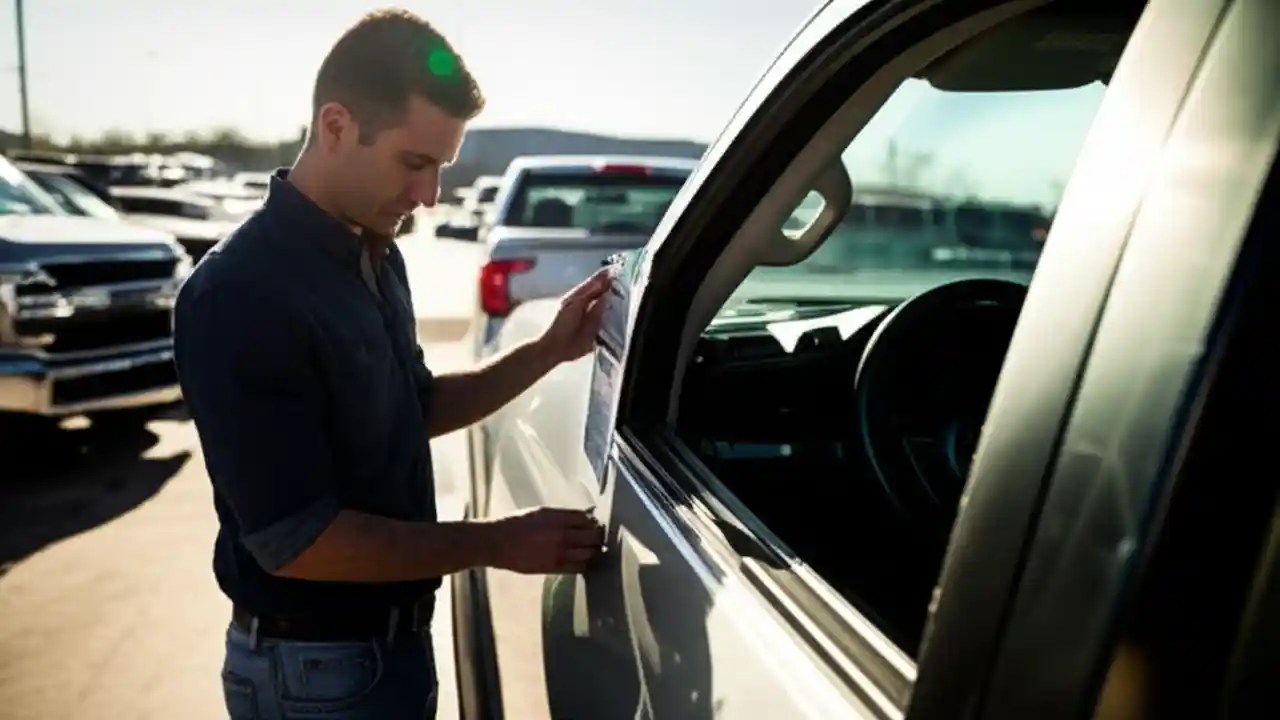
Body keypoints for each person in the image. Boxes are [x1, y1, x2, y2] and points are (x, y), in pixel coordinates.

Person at [172, 9, 610, 719]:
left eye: (441, 168)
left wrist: (549, 350)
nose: (430, 196)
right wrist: (497, 541)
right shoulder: (240, 293)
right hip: (314, 677)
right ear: (337, 126)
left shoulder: (375, 254)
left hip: (384, 654)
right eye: (415, 163)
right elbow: (299, 541)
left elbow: (415, 407)